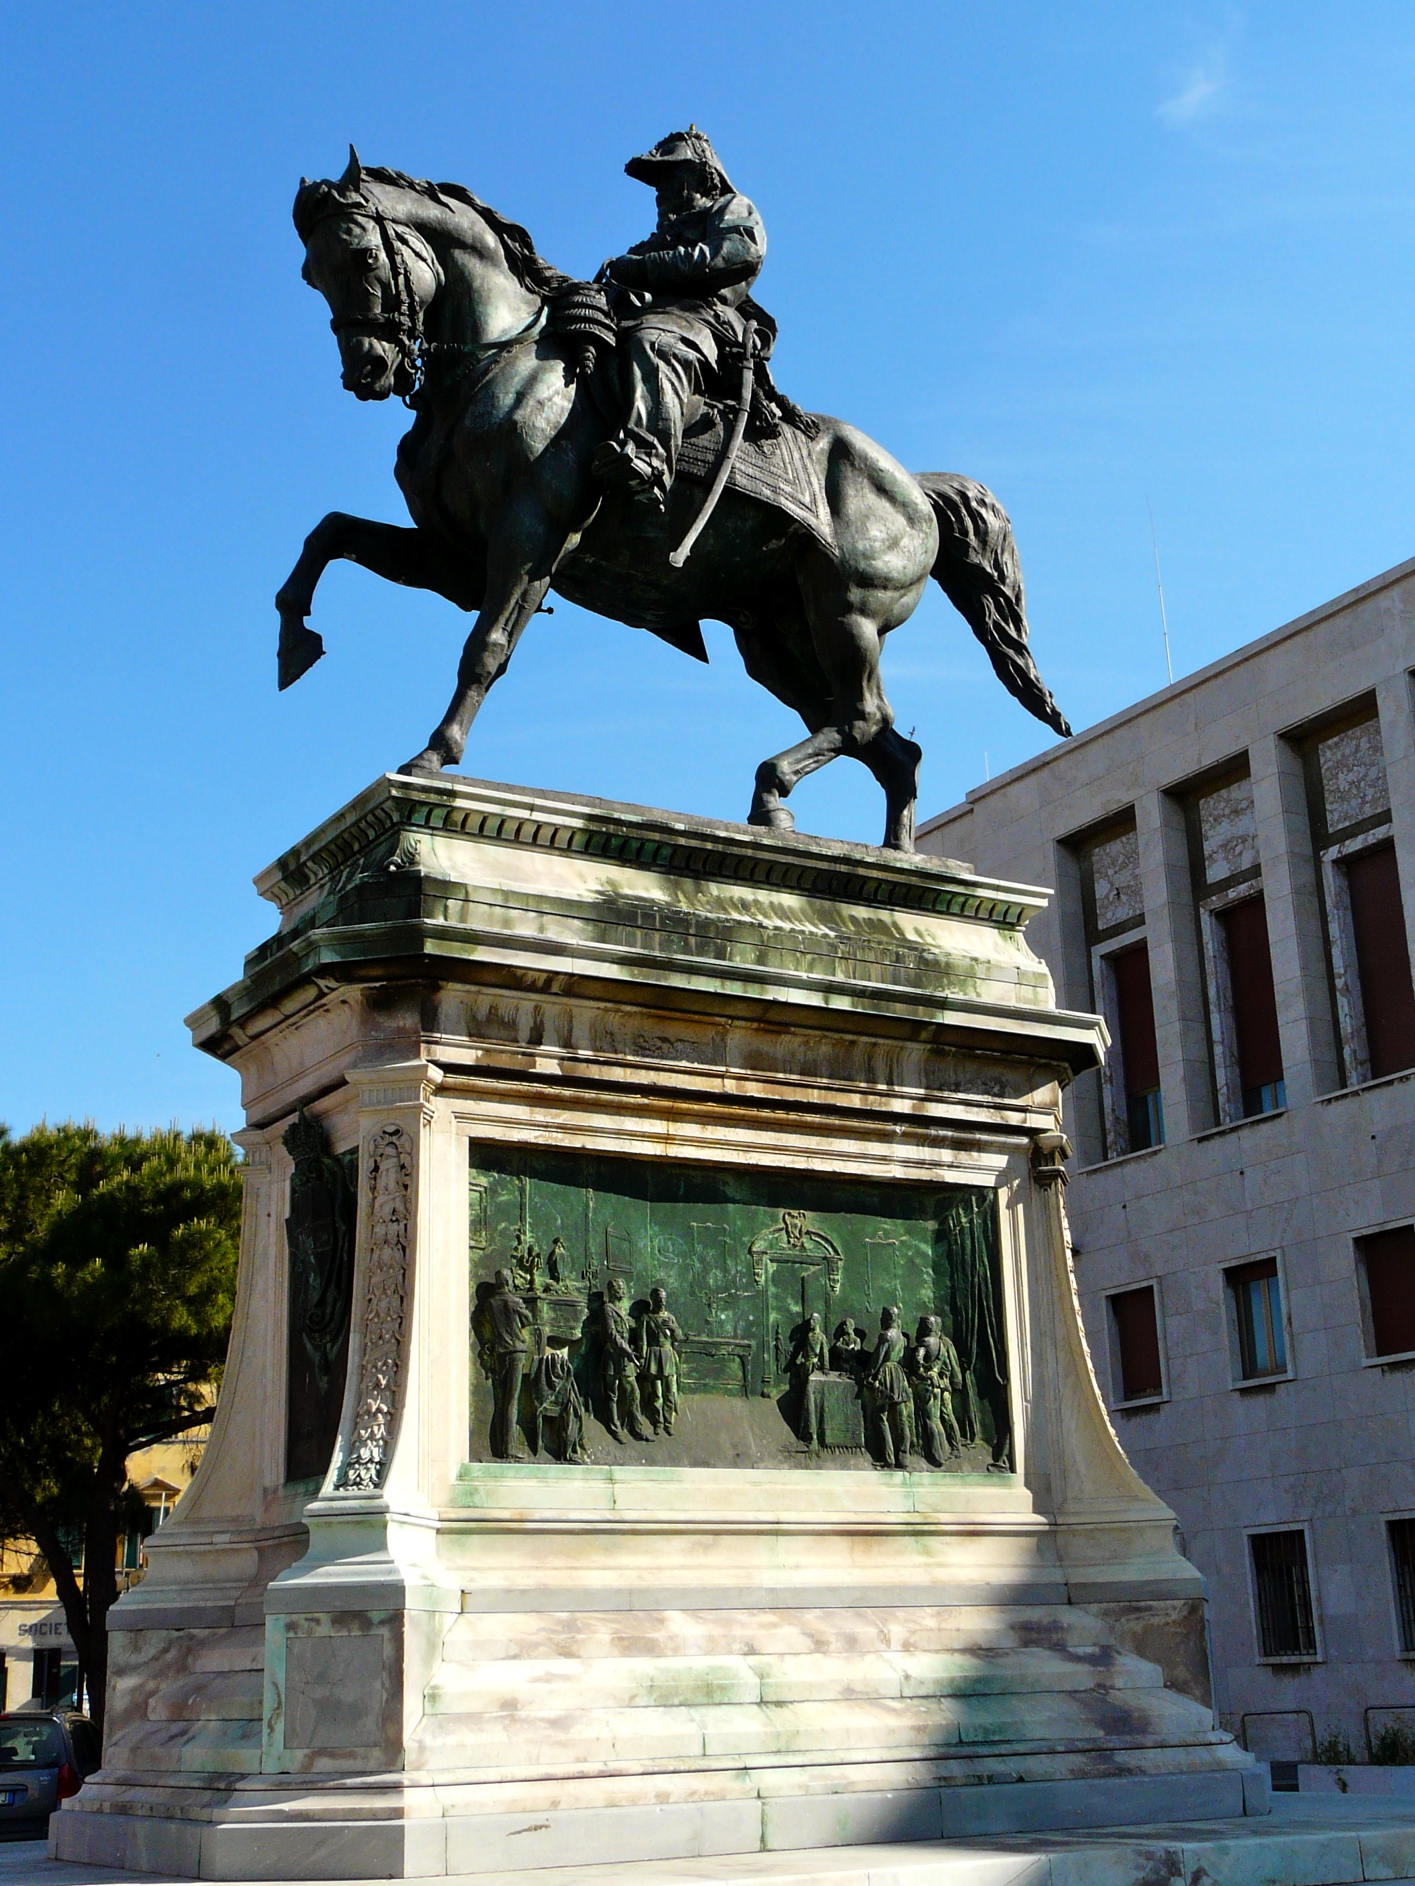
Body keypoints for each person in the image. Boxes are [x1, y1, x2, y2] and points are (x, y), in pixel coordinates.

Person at [593, 128, 767, 510]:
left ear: (702, 177)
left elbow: (736, 254)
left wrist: (640, 271)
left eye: (670, 177)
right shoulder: (658, 238)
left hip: (703, 320)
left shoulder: (731, 208)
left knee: (654, 346)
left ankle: (649, 459)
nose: (660, 189)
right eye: (657, 181)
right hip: (648, 315)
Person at [480, 1267, 531, 1460]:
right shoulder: (515, 1302)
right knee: (512, 1402)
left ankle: (499, 1447)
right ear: (508, 1281)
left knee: (500, 1402)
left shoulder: (490, 1304)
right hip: (516, 1352)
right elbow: (529, 1320)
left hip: (499, 1353)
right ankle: (510, 1448)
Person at [600, 1277, 652, 1442]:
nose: (623, 1291)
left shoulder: (622, 1310)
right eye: (621, 1289)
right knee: (612, 1393)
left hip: (626, 1358)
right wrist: (626, 1349)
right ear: (614, 1290)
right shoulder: (607, 1309)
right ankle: (614, 1427)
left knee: (634, 1392)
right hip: (613, 1357)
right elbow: (611, 1334)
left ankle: (636, 1428)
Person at [864, 1305, 911, 1469]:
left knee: (880, 1415)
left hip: (887, 1375)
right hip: (898, 1375)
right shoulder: (901, 1337)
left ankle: (889, 1458)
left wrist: (869, 1374)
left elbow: (878, 1358)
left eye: (883, 1317)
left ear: (887, 1318)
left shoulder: (886, 1336)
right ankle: (904, 1458)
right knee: (901, 1419)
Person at [530, 1340, 587, 1463]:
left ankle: (569, 1447)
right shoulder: (550, 1363)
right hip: (551, 1395)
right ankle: (568, 1450)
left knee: (574, 1408)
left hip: (562, 1395)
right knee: (572, 1408)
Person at [637, 1284, 683, 1435]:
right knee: (656, 1393)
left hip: (667, 1355)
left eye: (663, 1298)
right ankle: (658, 1422)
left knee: (669, 1392)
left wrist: (673, 1328)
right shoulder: (646, 1318)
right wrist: (642, 1358)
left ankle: (669, 1422)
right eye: (658, 1298)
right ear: (653, 1300)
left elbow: (678, 1337)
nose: (661, 1301)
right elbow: (642, 1340)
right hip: (654, 1356)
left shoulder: (670, 1318)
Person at [788, 1311, 831, 1447]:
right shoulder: (808, 1336)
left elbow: (825, 1352)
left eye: (813, 1321)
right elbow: (804, 1351)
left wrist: (825, 1366)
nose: (811, 1323)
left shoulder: (821, 1337)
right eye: (810, 1321)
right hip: (805, 1367)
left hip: (814, 1367)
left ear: (817, 1322)